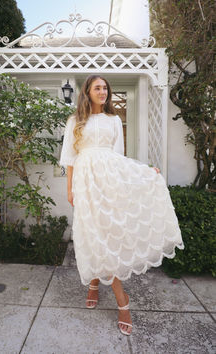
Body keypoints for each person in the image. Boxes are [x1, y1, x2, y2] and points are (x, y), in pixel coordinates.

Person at [59, 75, 184, 336]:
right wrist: (70, 188)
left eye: (105, 88)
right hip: (85, 183)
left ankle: (108, 291)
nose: (103, 92)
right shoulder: (75, 120)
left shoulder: (114, 120)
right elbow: (70, 158)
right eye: (97, 88)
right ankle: (113, 294)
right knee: (93, 234)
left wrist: (146, 172)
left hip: (109, 182)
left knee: (107, 236)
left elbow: (119, 157)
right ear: (88, 92)